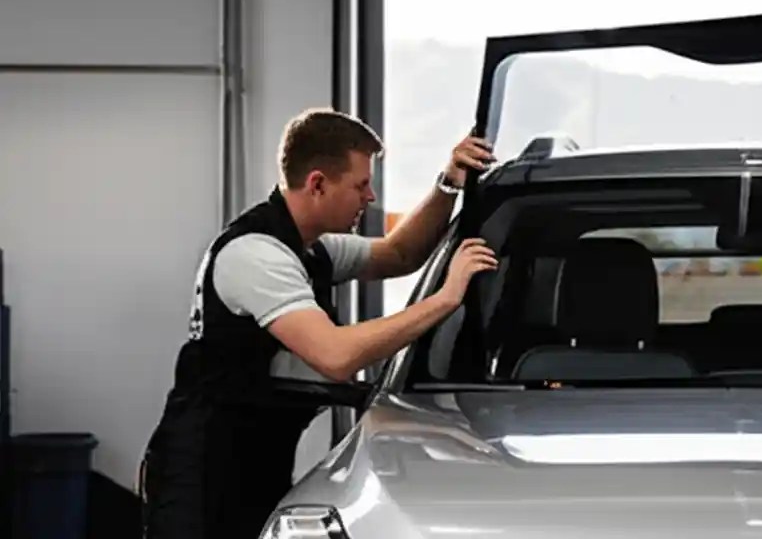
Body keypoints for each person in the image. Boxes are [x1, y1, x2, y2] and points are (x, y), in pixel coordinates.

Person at [139, 108, 497, 538]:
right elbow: (336, 356)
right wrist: (445, 298)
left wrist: (447, 183)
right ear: (318, 184)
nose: (370, 197)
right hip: (201, 473)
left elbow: (400, 254)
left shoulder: (312, 249)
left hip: (254, 459)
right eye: (360, 185)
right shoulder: (255, 256)